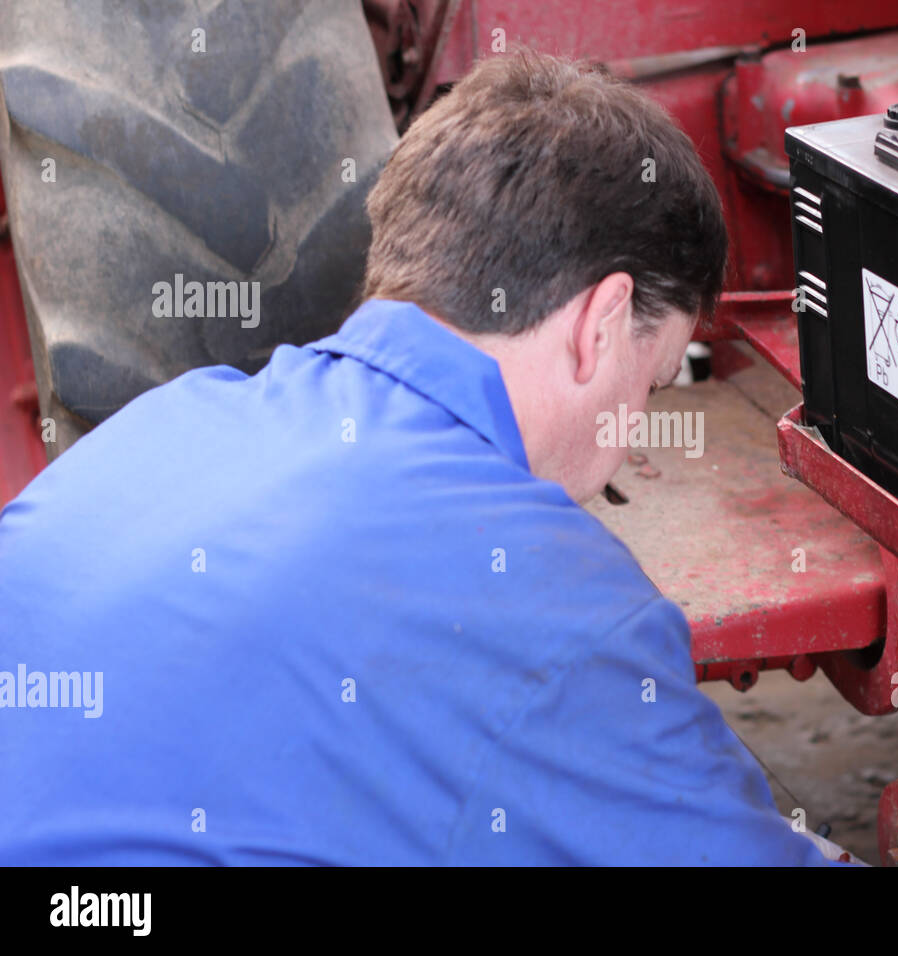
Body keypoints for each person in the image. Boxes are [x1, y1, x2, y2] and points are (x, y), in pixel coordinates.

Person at [0, 50, 848, 865]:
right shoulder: (552, 603)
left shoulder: (167, 425)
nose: (629, 439)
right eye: (653, 384)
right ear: (599, 326)